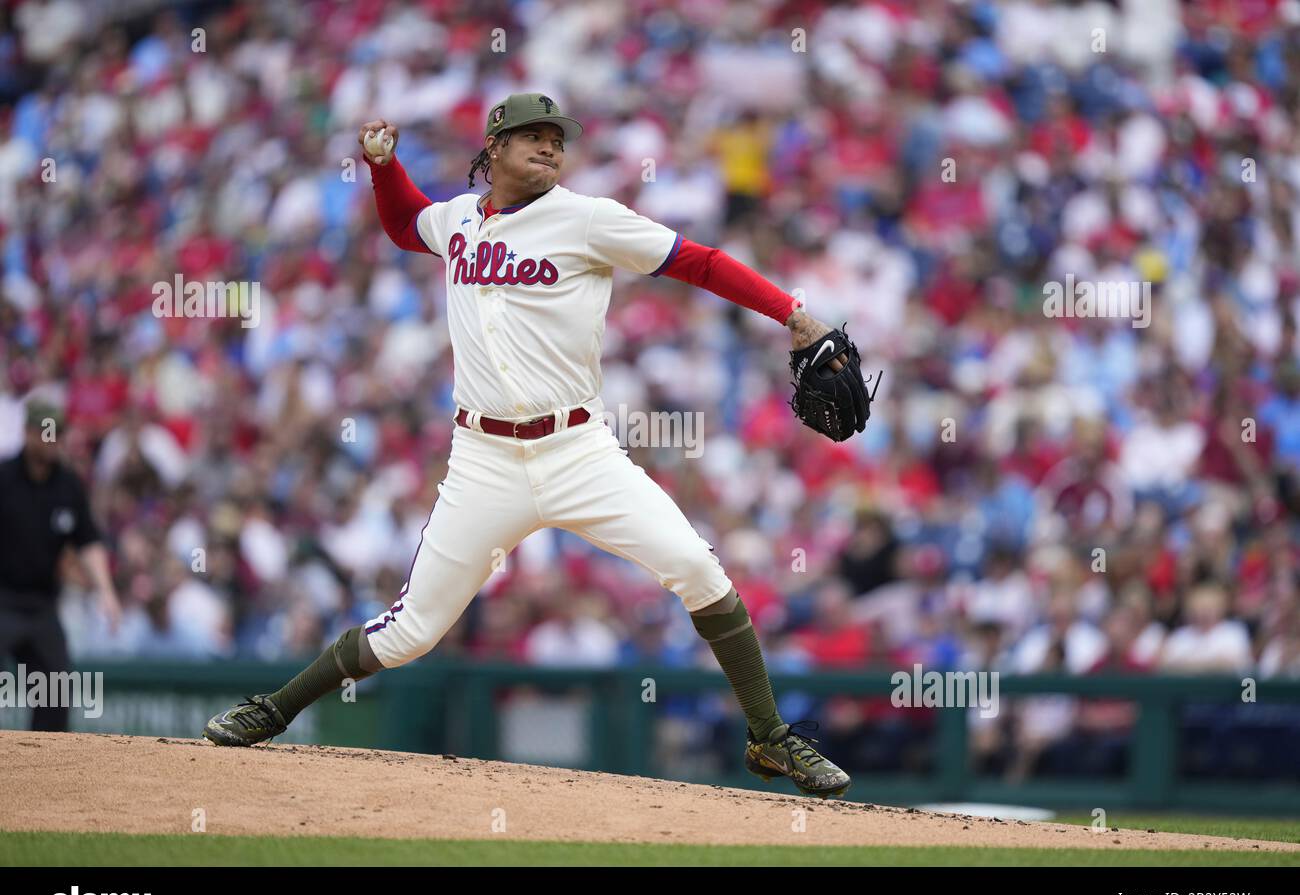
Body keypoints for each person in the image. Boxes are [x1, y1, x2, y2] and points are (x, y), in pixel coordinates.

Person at [203, 93, 858, 798]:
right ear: (493, 148)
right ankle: (274, 708)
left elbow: (696, 262)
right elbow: (402, 226)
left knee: (697, 570)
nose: (549, 148)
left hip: (579, 451)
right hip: (483, 461)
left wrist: (792, 313)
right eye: (532, 137)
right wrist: (382, 167)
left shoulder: (588, 218)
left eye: (557, 139)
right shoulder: (457, 218)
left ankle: (770, 739)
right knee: (410, 634)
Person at [0, 401, 121, 730]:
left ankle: (44, 767)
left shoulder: (68, 485)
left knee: (55, 689)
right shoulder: (4, 478)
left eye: (58, 434)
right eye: (46, 433)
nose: (53, 440)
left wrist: (106, 592)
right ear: (27, 434)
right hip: (3, 599)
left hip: (42, 605)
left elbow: (88, 541)